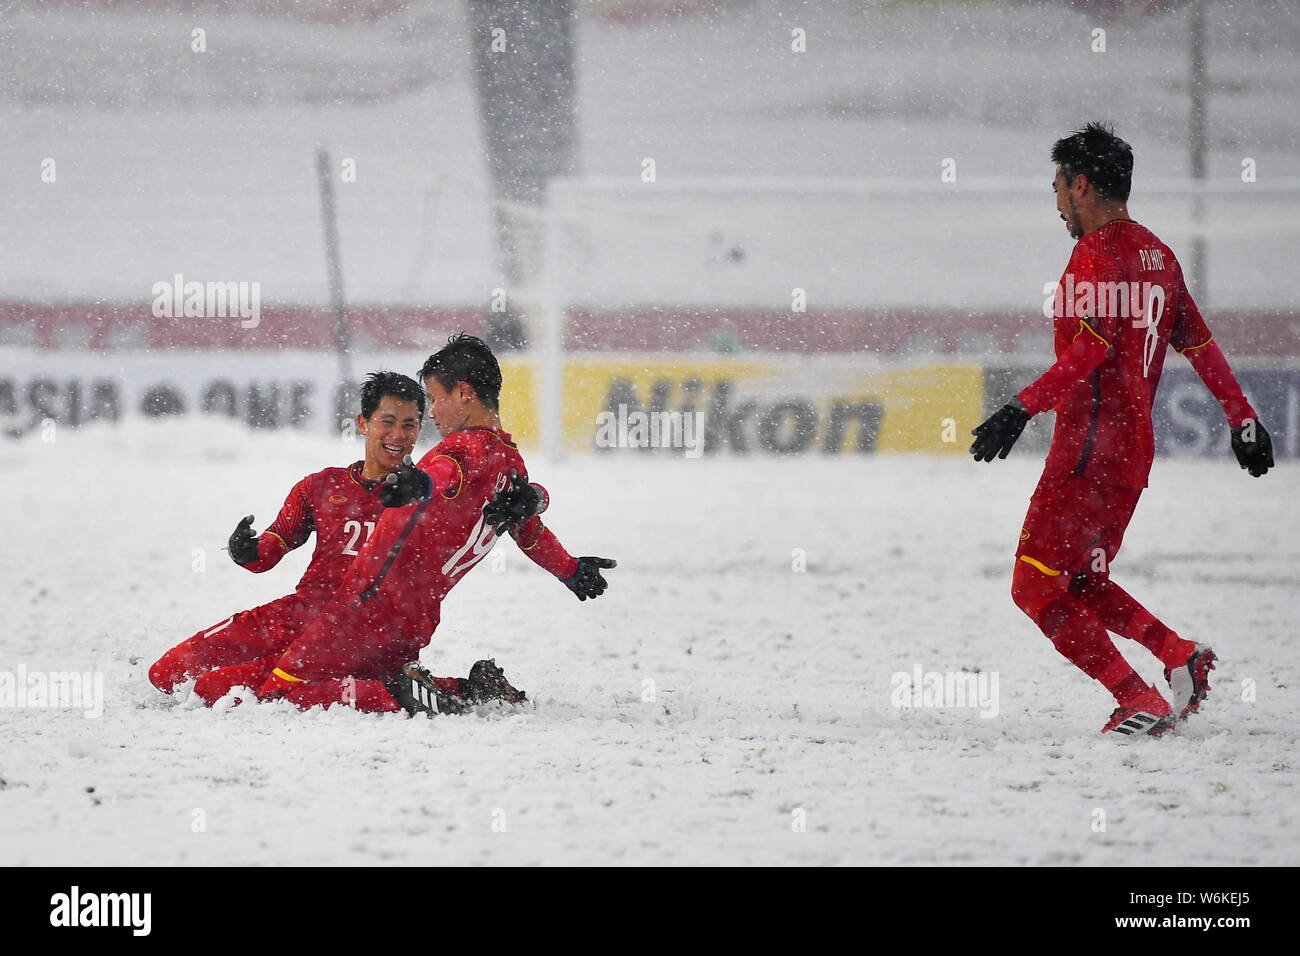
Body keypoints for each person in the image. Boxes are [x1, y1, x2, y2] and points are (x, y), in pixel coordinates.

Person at [970, 122, 1273, 737]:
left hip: (1086, 452)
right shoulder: (1159, 255)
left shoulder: (1092, 257)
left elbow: (1089, 349)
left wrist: (1020, 406)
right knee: (1080, 580)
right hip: (1133, 455)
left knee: (1034, 588)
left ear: (1081, 185)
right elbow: (1201, 342)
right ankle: (1178, 655)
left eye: (1057, 188)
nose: (1055, 203)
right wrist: (1243, 417)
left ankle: (1136, 696)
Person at [254, 333, 616, 716]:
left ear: (463, 393)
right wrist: (571, 570)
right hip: (417, 620)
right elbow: (531, 533)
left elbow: (447, 472)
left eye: (434, 399)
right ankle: (470, 691)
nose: (432, 412)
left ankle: (399, 694)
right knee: (346, 678)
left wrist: (419, 483)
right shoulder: (511, 464)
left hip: (368, 606)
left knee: (278, 693)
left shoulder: (463, 448)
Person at [149, 370, 536, 706]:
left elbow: (494, 491)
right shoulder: (321, 486)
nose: (399, 436)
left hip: (367, 633)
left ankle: (441, 692)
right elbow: (271, 549)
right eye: (388, 421)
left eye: (410, 424)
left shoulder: (430, 493)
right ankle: (436, 690)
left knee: (213, 690)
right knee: (167, 676)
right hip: (295, 617)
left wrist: (535, 498)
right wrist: (246, 550)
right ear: (363, 423)